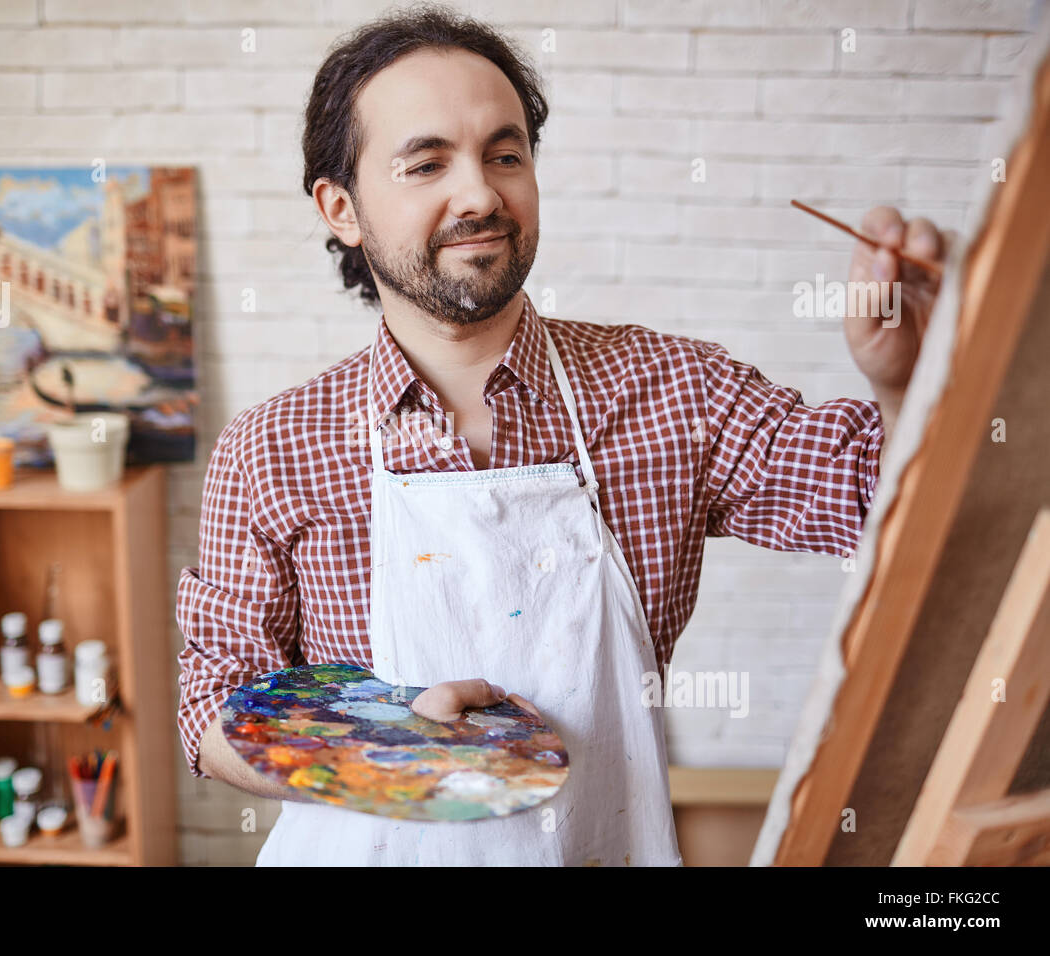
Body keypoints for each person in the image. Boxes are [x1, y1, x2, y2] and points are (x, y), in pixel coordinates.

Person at [175, 5, 945, 866]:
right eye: (427, 163)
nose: (479, 193)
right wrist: (384, 743)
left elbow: (878, 506)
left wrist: (906, 379)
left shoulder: (671, 392)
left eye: (505, 155)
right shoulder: (273, 447)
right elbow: (215, 702)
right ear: (341, 207)